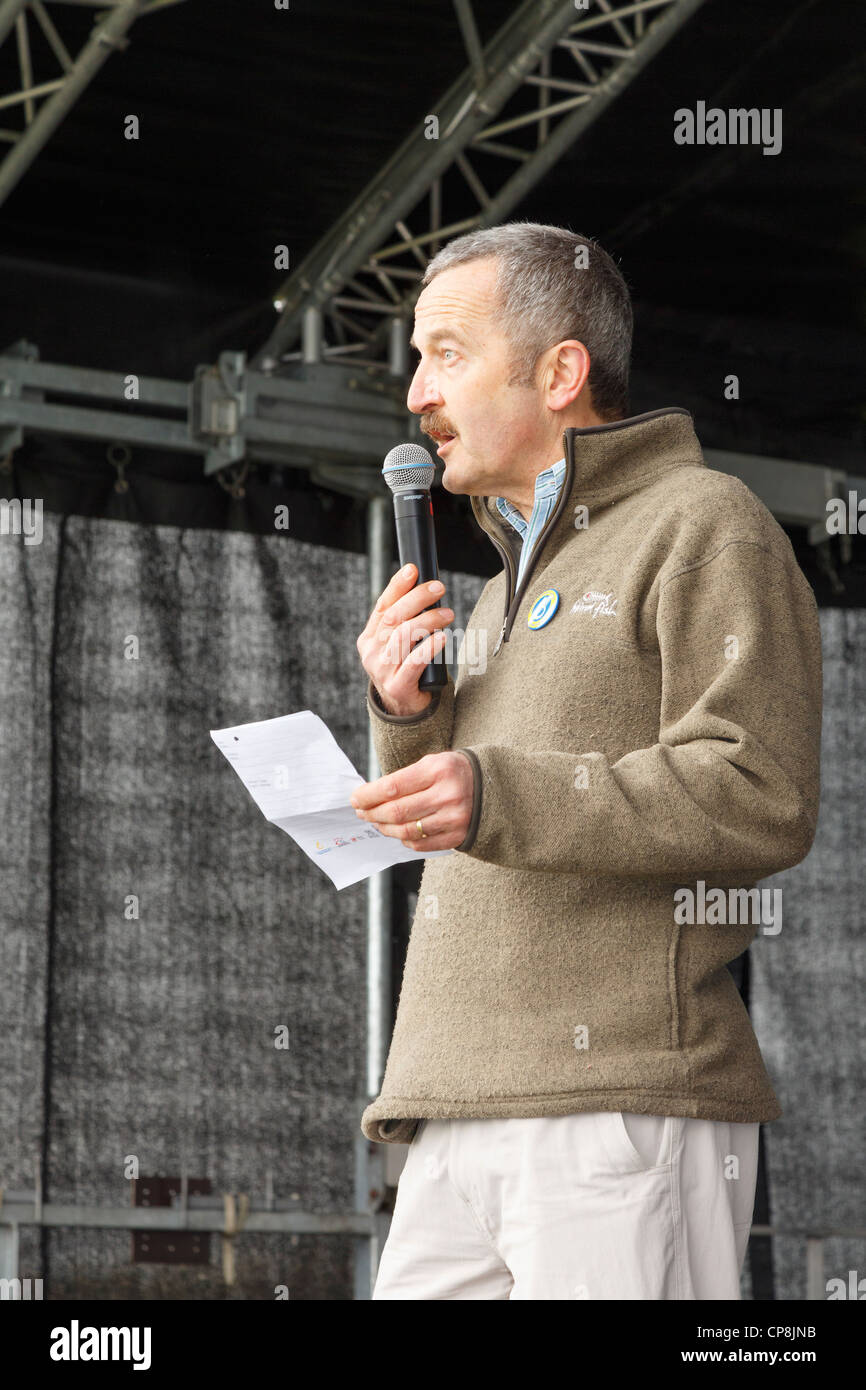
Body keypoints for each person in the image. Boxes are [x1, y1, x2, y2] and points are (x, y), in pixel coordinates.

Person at [350, 222, 822, 1300]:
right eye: (415, 358)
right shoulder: (487, 587)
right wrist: (399, 707)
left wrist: (497, 790)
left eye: (446, 354)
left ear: (560, 372)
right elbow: (472, 813)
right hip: (450, 1105)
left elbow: (759, 793)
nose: (416, 391)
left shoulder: (704, 524)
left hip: (618, 1105)